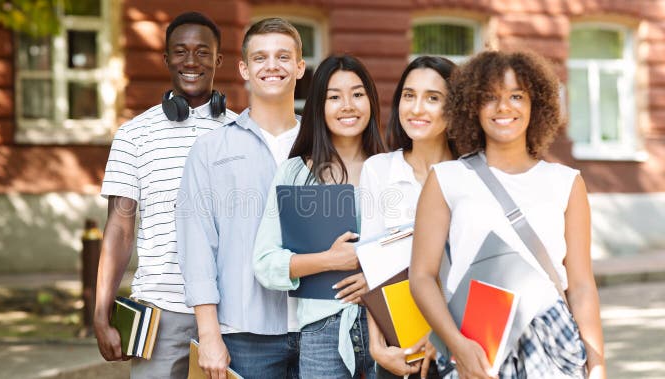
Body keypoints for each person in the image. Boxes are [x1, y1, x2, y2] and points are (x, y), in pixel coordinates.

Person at [409, 50, 606, 378]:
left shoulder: (566, 182)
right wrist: (456, 344)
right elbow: (422, 277)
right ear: (472, 105)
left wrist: (597, 365)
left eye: (517, 95)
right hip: (477, 347)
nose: (504, 107)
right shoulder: (446, 178)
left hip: (554, 345)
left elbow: (582, 285)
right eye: (491, 97)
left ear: (536, 105)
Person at [93, 12, 237, 378]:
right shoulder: (134, 135)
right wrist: (100, 311)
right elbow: (120, 228)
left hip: (234, 314)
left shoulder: (242, 131)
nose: (191, 62)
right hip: (160, 312)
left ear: (219, 60)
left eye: (203, 52)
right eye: (181, 52)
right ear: (166, 59)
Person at [176, 18, 305, 379]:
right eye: (260, 58)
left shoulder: (321, 145)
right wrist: (209, 334)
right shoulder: (211, 149)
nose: (272, 66)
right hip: (243, 333)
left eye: (283, 56)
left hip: (318, 328)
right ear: (245, 69)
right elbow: (197, 244)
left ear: (299, 66)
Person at [253, 54, 386, 379]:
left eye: (357, 94)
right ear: (318, 106)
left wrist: (378, 277)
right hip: (322, 333)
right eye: (334, 97)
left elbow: (422, 252)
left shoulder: (391, 168)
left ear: (370, 100)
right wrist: (329, 260)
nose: (348, 105)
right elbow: (265, 263)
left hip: (387, 322)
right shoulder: (296, 173)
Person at [359, 56, 456, 379]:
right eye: (409, 95)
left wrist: (445, 335)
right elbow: (373, 266)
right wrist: (376, 347)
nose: (416, 108)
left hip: (462, 340)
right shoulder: (379, 169)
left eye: (433, 98)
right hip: (399, 343)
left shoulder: (471, 172)